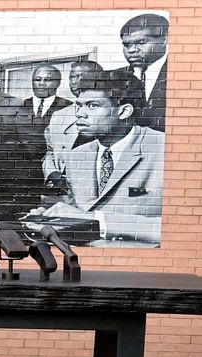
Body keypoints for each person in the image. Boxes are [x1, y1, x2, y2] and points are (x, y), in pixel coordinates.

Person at [37, 70, 163, 246]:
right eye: (78, 105)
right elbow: (78, 211)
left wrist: (97, 220)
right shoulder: (77, 155)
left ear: (124, 111)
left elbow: (178, 229)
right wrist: (50, 215)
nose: (80, 114)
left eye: (93, 106)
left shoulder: (164, 149)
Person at [43, 60, 102, 176]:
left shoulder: (108, 114)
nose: (74, 82)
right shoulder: (59, 115)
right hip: (61, 189)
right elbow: (50, 151)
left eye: (81, 76)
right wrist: (52, 173)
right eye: (72, 77)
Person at [116, 13, 168, 132]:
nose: (131, 50)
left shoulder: (182, 74)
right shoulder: (114, 77)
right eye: (126, 45)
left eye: (141, 42)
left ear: (164, 40)